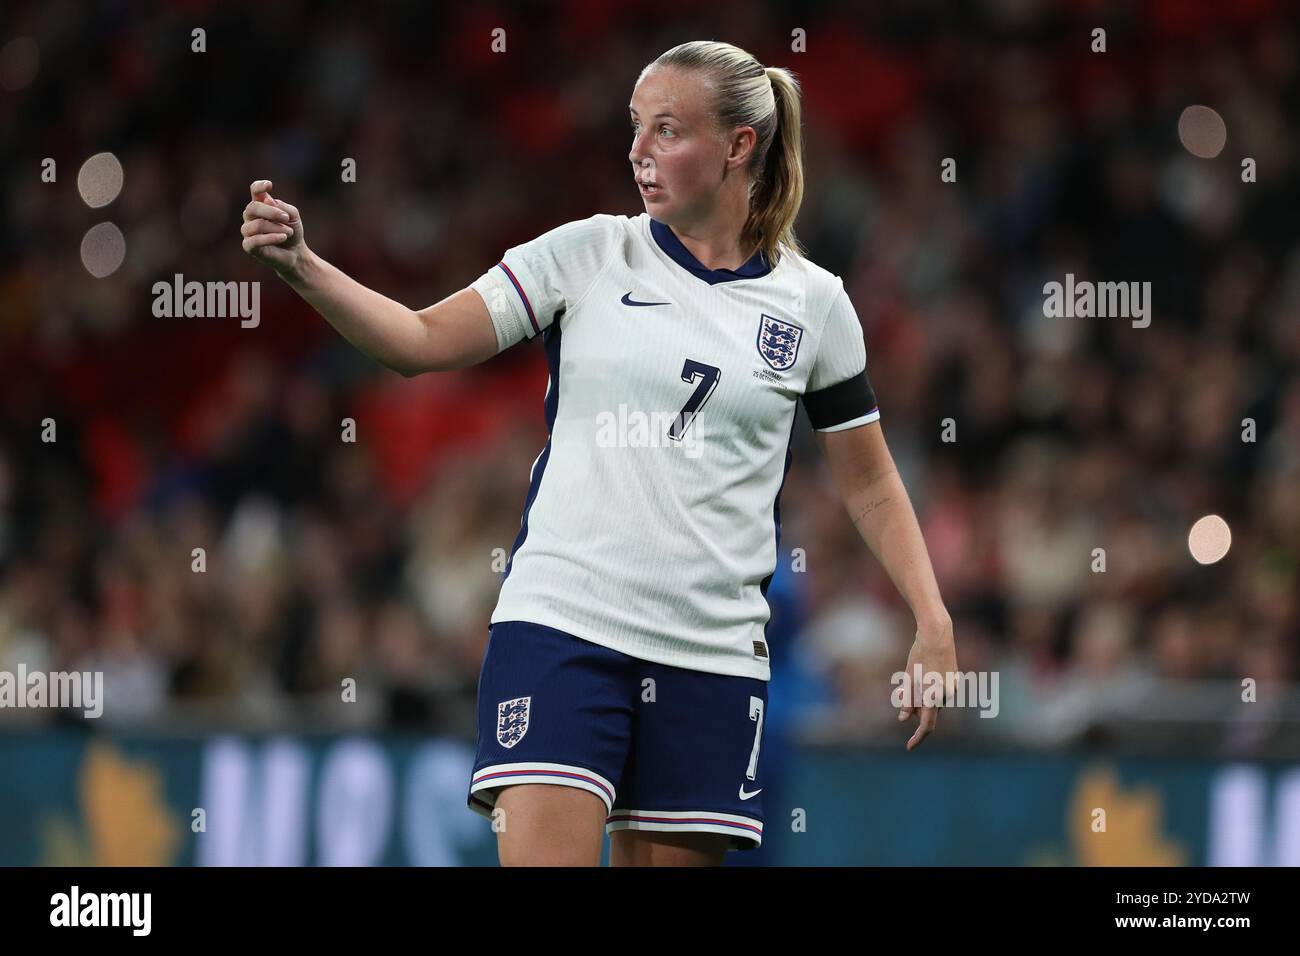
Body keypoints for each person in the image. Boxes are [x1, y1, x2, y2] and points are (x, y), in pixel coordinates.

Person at [241, 39, 957, 867]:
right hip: (564, 625)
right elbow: (420, 340)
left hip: (711, 653)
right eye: (634, 128)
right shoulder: (587, 253)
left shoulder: (815, 305)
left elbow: (867, 479)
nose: (638, 152)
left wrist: (931, 617)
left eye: (667, 130)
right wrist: (304, 267)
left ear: (738, 146)